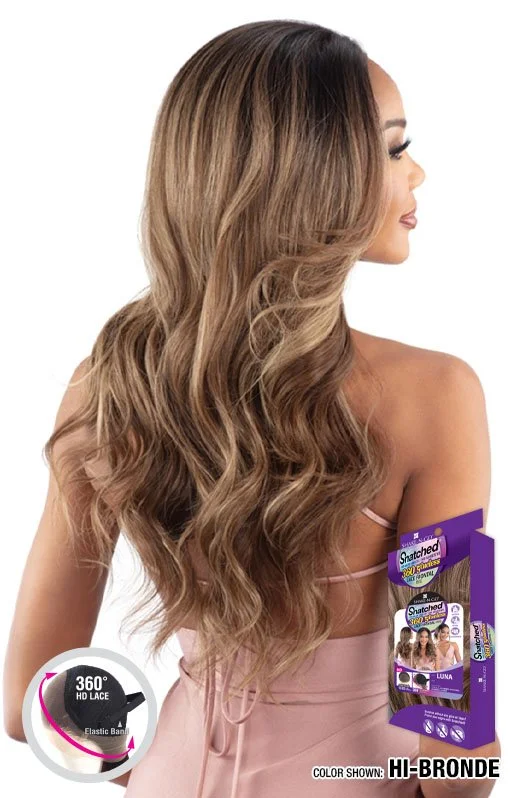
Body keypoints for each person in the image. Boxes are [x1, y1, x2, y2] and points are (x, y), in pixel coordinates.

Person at [3, 19, 500, 798]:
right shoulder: (435, 395)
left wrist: (163, 766)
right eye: (395, 148)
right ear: (317, 173)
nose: (419, 172)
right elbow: (453, 747)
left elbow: (26, 700)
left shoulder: (110, 384)